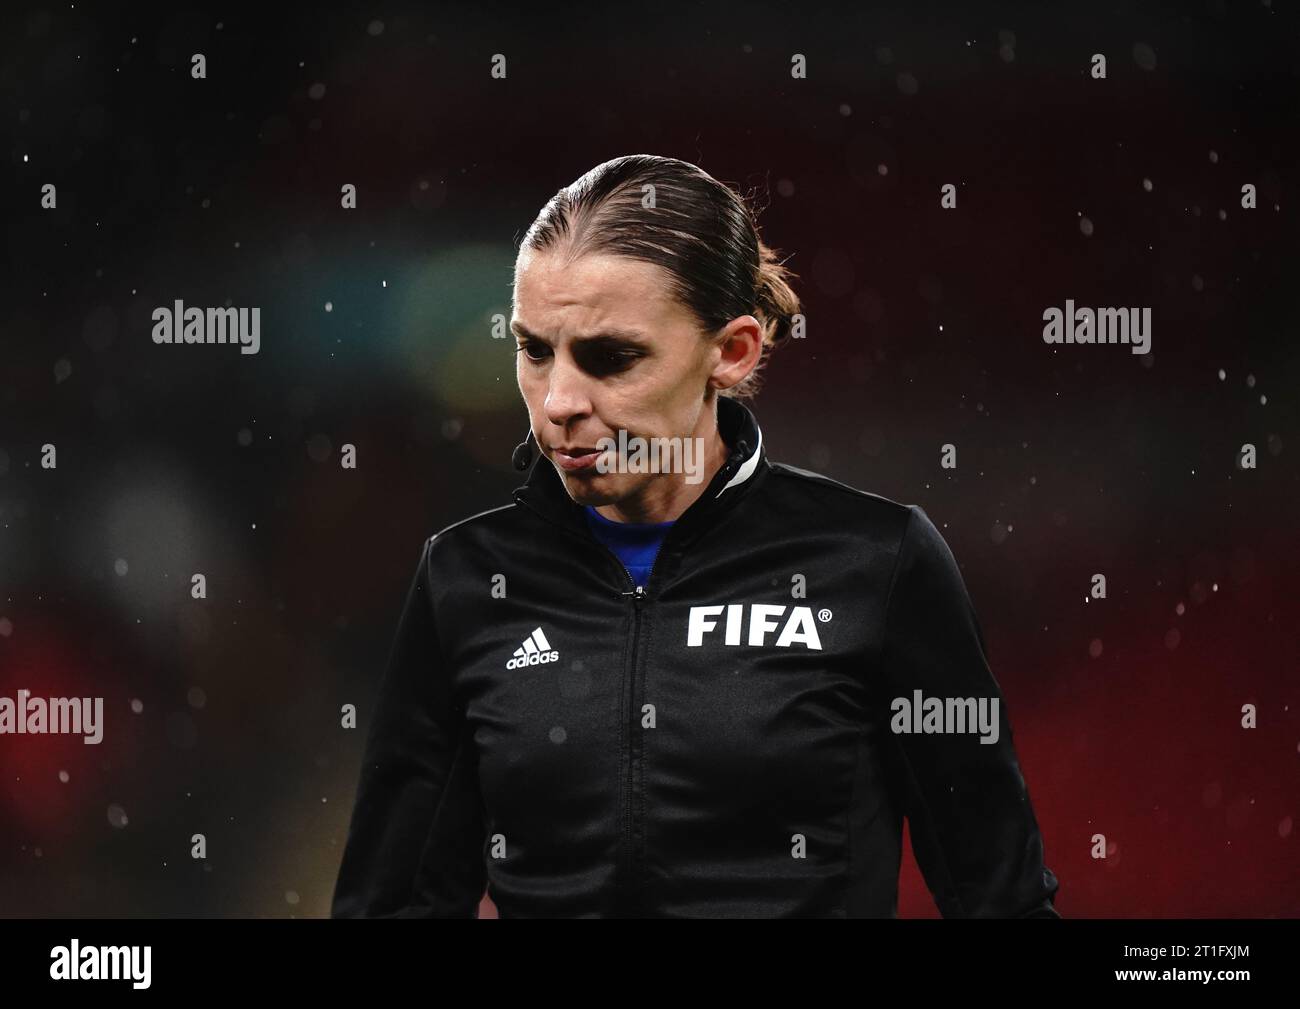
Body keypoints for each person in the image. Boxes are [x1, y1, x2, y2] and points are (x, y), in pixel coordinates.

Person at [331, 154, 1061, 918]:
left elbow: (1000, 900)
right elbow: (391, 906)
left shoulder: (875, 563)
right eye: (534, 349)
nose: (558, 401)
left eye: (610, 356)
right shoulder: (467, 580)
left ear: (732, 350)